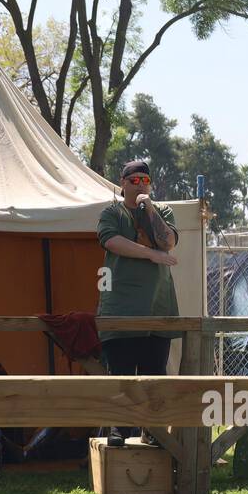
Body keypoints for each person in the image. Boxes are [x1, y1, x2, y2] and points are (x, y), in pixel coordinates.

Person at [96, 159, 180, 447]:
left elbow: (167, 242)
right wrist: (149, 254)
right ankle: (119, 429)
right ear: (122, 183)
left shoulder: (162, 212)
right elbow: (110, 241)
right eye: (134, 180)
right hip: (121, 309)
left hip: (158, 308)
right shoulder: (112, 212)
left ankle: (153, 432)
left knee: (154, 376)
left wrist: (150, 207)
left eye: (145, 180)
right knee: (121, 375)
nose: (140, 184)